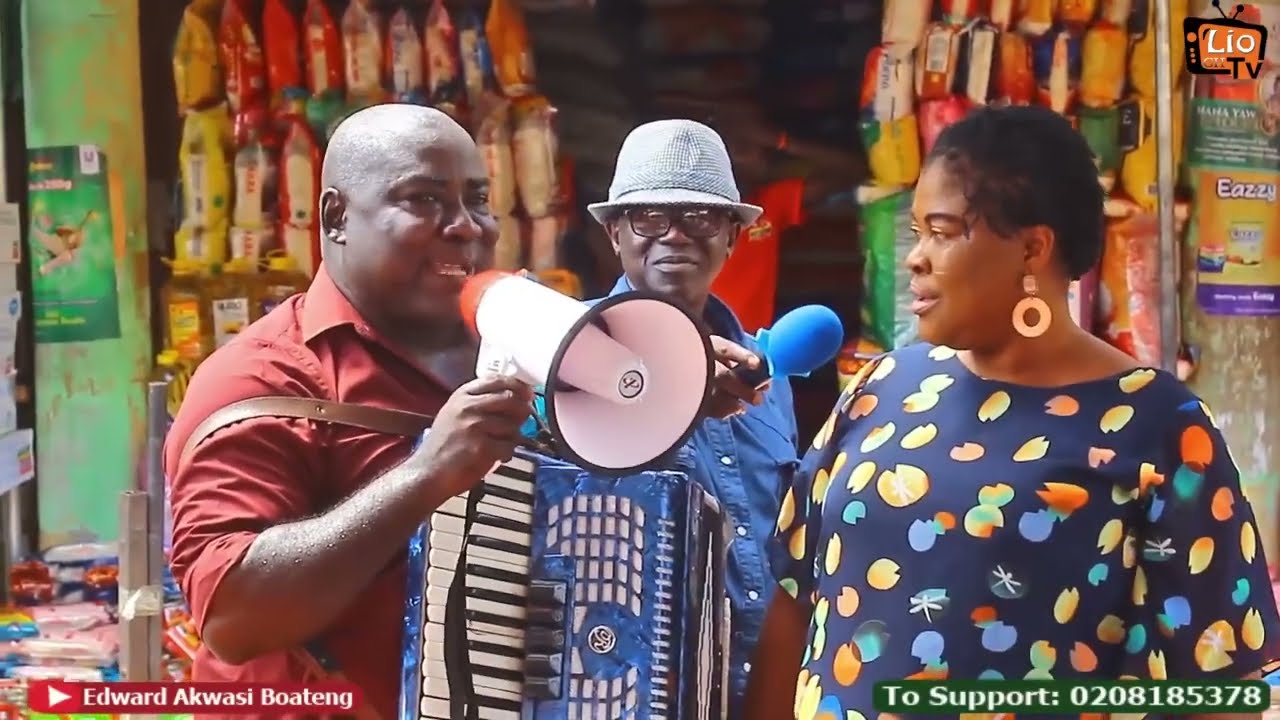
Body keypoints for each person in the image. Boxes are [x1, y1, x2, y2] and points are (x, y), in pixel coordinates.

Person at [744, 105, 1280, 720]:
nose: (916, 257)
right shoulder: (881, 387)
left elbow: (1218, 682)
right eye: (917, 231)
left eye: (942, 233)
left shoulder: (1160, 426)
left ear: (1032, 249)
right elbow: (792, 594)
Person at [164, 104, 534, 719]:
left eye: (478, 200)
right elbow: (230, 615)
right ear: (336, 217)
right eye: (425, 200)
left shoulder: (514, 347)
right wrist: (425, 477)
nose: (468, 227)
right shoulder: (262, 379)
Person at [585, 119, 802, 715]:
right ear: (614, 235)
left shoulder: (769, 376)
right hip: (626, 692)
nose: (675, 235)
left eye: (702, 218)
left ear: (732, 237)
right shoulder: (563, 354)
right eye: (649, 218)